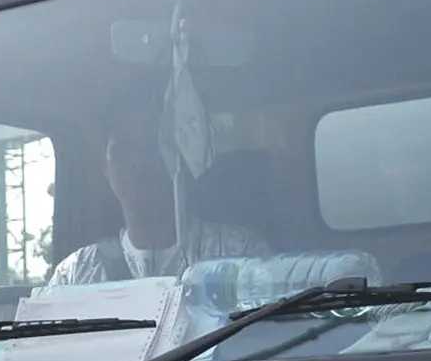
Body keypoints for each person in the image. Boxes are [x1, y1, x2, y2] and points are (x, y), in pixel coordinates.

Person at [48, 84, 269, 286]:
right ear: (104, 165)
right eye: (125, 146)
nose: (138, 161)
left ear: (181, 156)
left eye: (152, 145)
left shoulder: (241, 254)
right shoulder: (76, 275)